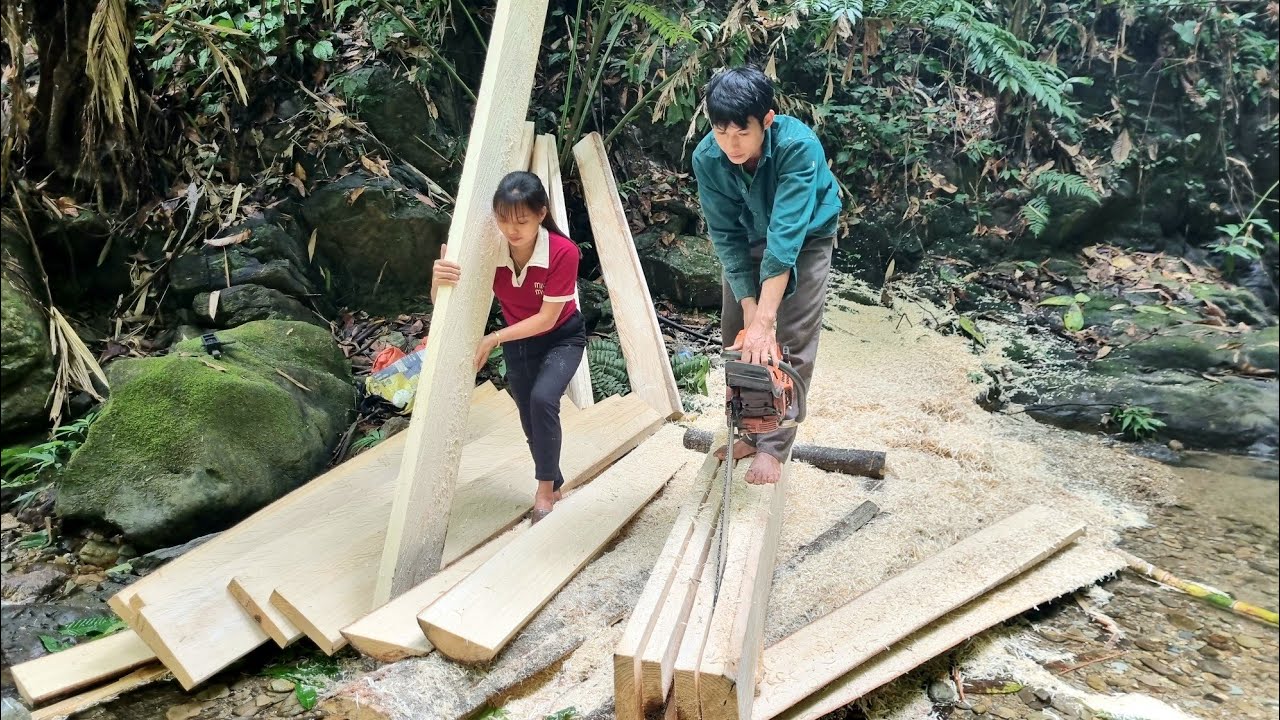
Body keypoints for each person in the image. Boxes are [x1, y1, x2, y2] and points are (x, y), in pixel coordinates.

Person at [691, 66, 841, 485]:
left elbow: (785, 240)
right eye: (721, 132)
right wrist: (750, 314)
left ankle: (774, 446)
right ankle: (747, 431)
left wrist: (766, 319)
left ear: (767, 120)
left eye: (742, 133)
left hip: (806, 236)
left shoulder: (799, 147)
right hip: (747, 233)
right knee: (737, 337)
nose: (731, 144)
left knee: (790, 337)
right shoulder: (707, 158)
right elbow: (726, 237)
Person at [431, 171, 586, 522]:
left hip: (561, 337)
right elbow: (449, 305)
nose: (511, 229)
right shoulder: (489, 250)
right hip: (519, 342)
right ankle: (554, 481)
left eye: (522, 220)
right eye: (503, 219)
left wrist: (494, 337)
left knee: (543, 399)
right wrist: (438, 280)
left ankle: (543, 490)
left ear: (541, 214)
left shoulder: (563, 252)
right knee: (529, 416)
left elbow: (547, 319)